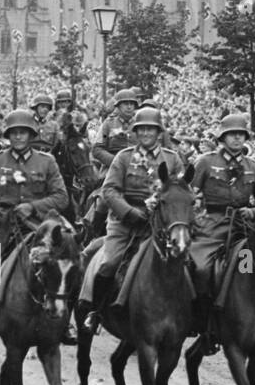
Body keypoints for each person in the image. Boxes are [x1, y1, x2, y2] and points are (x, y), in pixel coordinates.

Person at [78, 106, 185, 334]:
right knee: (108, 263)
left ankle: (187, 315)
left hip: (160, 224)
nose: (146, 133)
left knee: (185, 263)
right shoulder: (123, 157)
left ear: (159, 133)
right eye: (142, 129)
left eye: (151, 129)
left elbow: (179, 190)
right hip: (124, 223)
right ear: (135, 132)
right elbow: (109, 190)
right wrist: (129, 212)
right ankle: (96, 312)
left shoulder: (173, 159)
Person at [0, 109, 68, 343]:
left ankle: (66, 321)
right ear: (8, 135)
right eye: (14, 133)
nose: (19, 137)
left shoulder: (47, 161)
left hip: (39, 226)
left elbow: (62, 197)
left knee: (69, 259)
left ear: (31, 135)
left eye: (23, 133)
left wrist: (34, 207)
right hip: (4, 226)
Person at [188, 114, 255, 353]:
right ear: (222, 138)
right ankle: (203, 323)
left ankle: (246, 321)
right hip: (211, 226)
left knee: (249, 269)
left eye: (241, 134)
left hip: (242, 229)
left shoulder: (254, 166)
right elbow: (189, 193)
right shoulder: (205, 161)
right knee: (201, 269)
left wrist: (253, 213)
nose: (236, 137)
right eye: (232, 134)